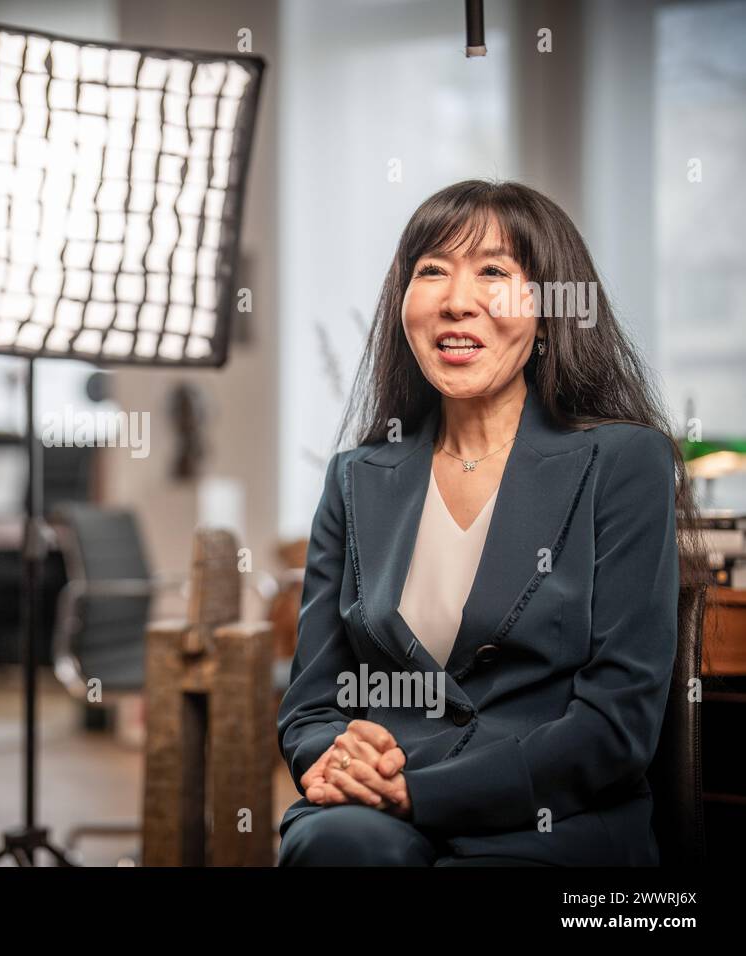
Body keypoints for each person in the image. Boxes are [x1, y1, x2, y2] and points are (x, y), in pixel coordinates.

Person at [276, 179, 706, 866]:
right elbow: (310, 705)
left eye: (494, 273)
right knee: (341, 848)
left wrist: (418, 792)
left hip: (551, 820)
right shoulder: (356, 477)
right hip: (373, 815)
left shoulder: (625, 462)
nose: (456, 300)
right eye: (432, 272)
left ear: (547, 310)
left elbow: (614, 729)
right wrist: (337, 761)